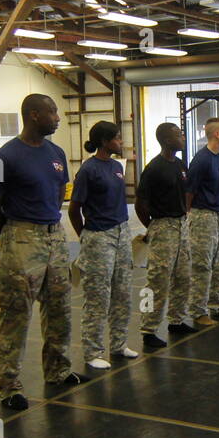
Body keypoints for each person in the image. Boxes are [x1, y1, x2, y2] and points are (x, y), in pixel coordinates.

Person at [0, 94, 79, 410]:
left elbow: (58, 194)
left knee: (59, 308)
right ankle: (10, 385)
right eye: (53, 112)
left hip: (55, 236)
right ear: (34, 115)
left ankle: (58, 370)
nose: (58, 118)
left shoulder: (56, 153)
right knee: (16, 314)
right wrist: (13, 238)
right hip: (21, 237)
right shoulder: (3, 158)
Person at [68, 121, 138, 369]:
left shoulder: (117, 166)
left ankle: (119, 344)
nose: (121, 142)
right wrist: (86, 237)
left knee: (122, 292)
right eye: (117, 138)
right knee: (98, 296)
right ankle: (93, 351)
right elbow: (74, 210)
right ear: (105, 141)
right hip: (98, 236)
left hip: (121, 232)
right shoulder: (89, 169)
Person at [135, 122, 195, 349]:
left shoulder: (179, 165)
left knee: (183, 276)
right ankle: (148, 329)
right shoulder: (154, 168)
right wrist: (153, 226)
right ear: (168, 140)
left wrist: (184, 213)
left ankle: (176, 320)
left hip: (181, 225)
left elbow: (186, 192)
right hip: (162, 226)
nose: (182, 137)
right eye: (178, 134)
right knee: (156, 281)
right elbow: (141, 204)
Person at [187, 116, 219, 327]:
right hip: (202, 216)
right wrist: (189, 216)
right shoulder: (201, 159)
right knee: (202, 265)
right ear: (216, 134)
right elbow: (189, 192)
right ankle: (198, 311)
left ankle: (217, 305)